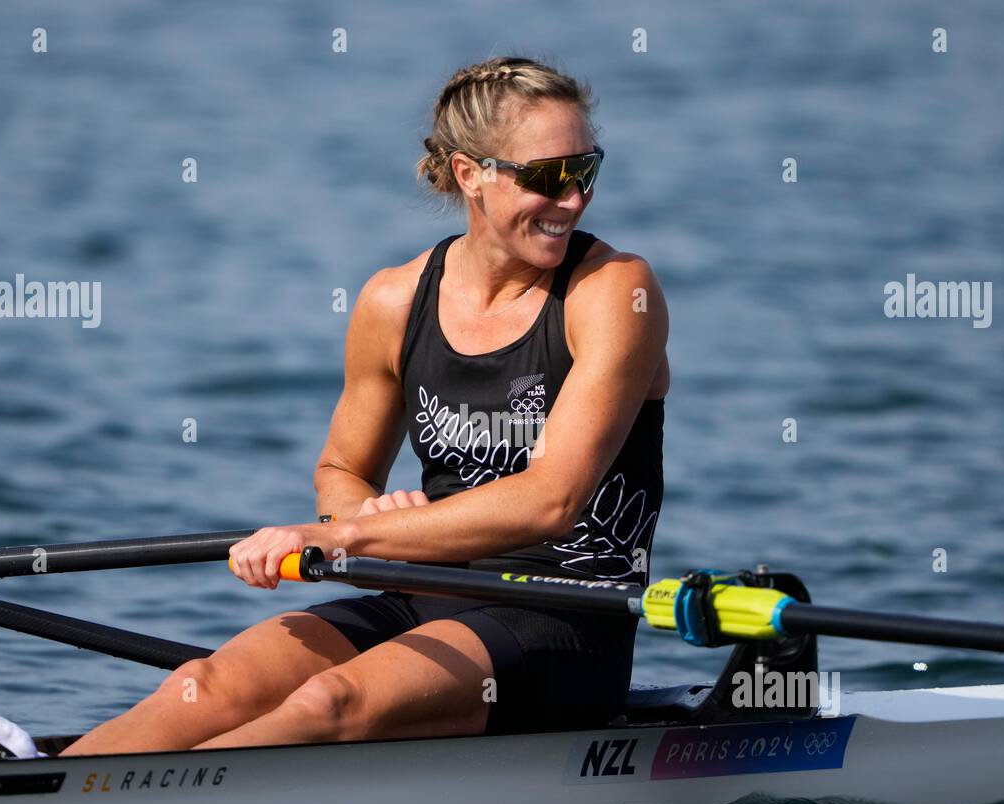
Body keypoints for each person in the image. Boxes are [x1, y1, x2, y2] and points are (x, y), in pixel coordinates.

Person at [62, 56, 668, 756]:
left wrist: (345, 539)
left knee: (330, 700)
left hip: (566, 615)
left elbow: (549, 502)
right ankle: (34, 794)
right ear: (471, 174)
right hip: (422, 592)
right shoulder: (394, 299)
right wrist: (356, 516)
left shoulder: (616, 292)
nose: (572, 200)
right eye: (546, 178)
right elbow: (342, 471)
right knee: (206, 685)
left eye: (584, 172)